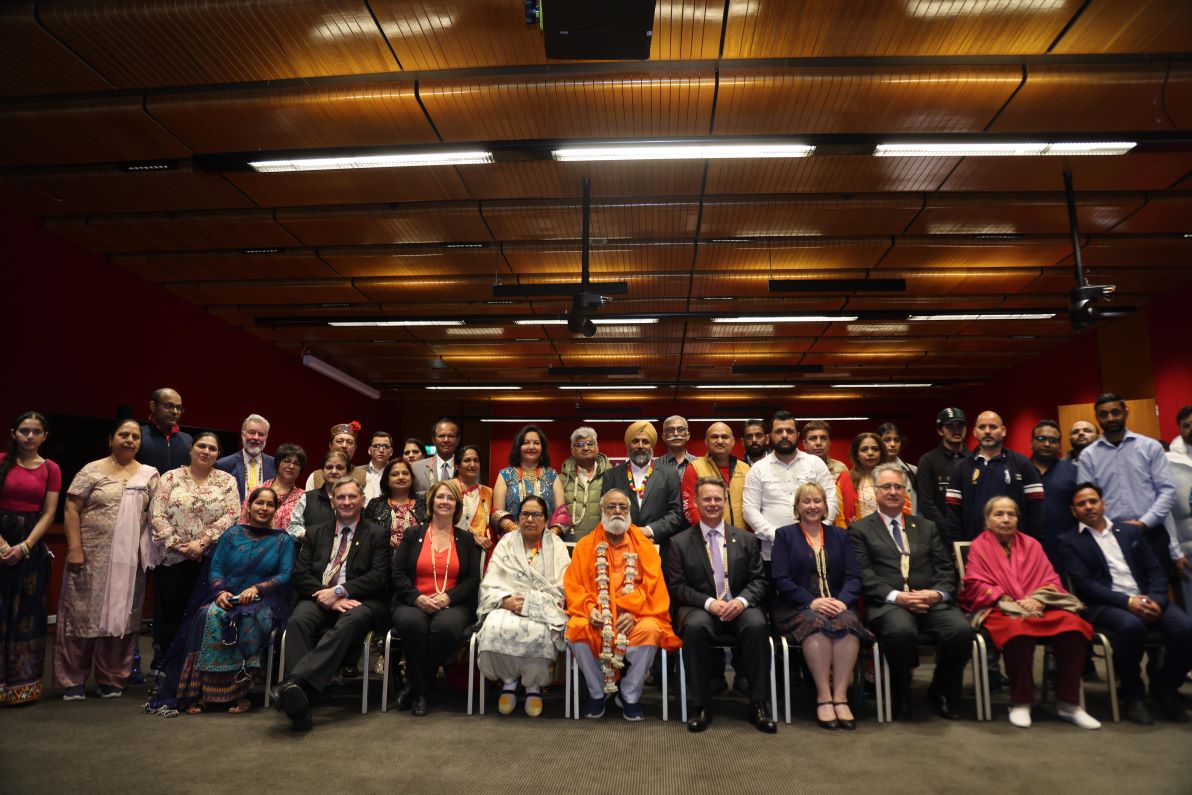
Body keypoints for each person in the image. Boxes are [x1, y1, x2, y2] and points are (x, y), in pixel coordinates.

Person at [147, 486, 294, 716]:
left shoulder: (282, 540)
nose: (264, 508)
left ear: (275, 509)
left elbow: (284, 575)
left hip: (263, 600)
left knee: (246, 618)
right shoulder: (232, 534)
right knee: (208, 615)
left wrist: (257, 588)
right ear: (249, 505)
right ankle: (202, 692)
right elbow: (216, 567)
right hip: (228, 595)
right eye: (259, 503)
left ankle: (239, 693)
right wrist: (220, 592)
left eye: (269, 504)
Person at [959, 497, 1100, 730]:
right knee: (1018, 632)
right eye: (999, 514)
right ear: (987, 520)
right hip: (1000, 607)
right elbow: (974, 582)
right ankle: (1021, 702)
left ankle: (1069, 703)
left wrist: (1037, 599)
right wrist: (1007, 599)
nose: (1006, 519)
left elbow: (1050, 578)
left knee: (1073, 627)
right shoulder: (979, 546)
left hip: (1038, 605)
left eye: (1011, 514)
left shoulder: (1032, 544)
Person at [850, 463, 973, 721]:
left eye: (898, 487)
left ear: (906, 492)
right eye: (886, 487)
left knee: (961, 632)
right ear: (875, 492)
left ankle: (940, 690)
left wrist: (936, 594)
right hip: (888, 604)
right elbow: (864, 574)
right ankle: (901, 693)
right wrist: (899, 597)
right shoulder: (860, 530)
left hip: (931, 601)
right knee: (900, 632)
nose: (893, 492)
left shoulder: (926, 527)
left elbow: (945, 569)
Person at [1062, 483, 1192, 724]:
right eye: (1081, 504)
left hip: (1148, 598)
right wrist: (1128, 601)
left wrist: (1157, 601)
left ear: (1104, 504)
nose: (1088, 507)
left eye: (1093, 501)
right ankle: (1134, 695)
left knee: (1186, 628)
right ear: (1073, 511)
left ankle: (1165, 688)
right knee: (1131, 627)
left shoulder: (1130, 532)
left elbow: (1156, 571)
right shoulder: (1070, 541)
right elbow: (1085, 585)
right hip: (1105, 605)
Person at [272, 479, 390, 731]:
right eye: (341, 498)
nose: (346, 502)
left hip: (360, 599)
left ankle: (295, 684)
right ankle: (301, 699)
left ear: (362, 500)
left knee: (353, 619)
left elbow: (379, 576)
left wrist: (340, 591)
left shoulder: (377, 534)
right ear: (333, 502)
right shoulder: (316, 532)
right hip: (318, 597)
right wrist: (325, 596)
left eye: (352, 497)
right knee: (298, 621)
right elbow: (301, 574)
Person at [56, 418, 159, 700]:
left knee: (123, 618)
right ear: (110, 438)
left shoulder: (149, 475)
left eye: (135, 436)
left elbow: (153, 516)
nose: (129, 440)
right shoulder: (92, 470)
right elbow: (71, 509)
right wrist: (75, 548)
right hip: (91, 556)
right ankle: (73, 679)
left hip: (129, 561)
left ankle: (112, 678)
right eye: (123, 435)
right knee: (81, 617)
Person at [668, 477, 775, 733]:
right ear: (696, 502)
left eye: (718, 499)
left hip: (739, 606)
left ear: (726, 501)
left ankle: (758, 704)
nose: (713, 504)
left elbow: (759, 581)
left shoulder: (747, 539)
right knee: (694, 629)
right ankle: (701, 706)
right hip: (700, 608)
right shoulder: (679, 542)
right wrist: (708, 603)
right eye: (707, 499)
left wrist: (740, 601)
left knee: (758, 625)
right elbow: (677, 587)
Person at [565, 489, 680, 720]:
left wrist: (635, 613)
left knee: (649, 631)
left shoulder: (644, 545)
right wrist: (590, 609)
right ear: (602, 511)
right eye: (611, 507)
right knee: (576, 630)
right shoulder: (586, 546)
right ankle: (598, 693)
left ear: (629, 512)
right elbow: (574, 585)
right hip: (599, 615)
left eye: (622, 507)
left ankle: (629, 695)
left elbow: (654, 586)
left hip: (634, 616)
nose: (617, 511)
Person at [772, 482, 871, 730]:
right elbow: (781, 579)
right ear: (797, 507)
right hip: (797, 606)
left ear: (826, 506)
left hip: (837, 603)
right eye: (806, 501)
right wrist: (811, 601)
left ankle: (841, 697)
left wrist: (842, 601)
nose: (812, 506)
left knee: (847, 624)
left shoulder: (841, 536)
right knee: (816, 624)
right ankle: (823, 696)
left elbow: (853, 577)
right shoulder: (785, 535)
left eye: (817, 501)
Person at [149, 431, 240, 670]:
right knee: (170, 615)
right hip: (172, 559)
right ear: (191, 449)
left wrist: (202, 542)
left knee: (203, 615)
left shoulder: (226, 481)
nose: (206, 451)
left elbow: (232, 514)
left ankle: (197, 668)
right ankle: (167, 667)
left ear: (218, 454)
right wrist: (180, 546)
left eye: (212, 448)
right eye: (202, 446)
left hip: (211, 559)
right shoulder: (170, 478)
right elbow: (157, 514)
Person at [391, 480, 481, 716]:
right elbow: (398, 573)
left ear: (457, 505)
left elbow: (472, 580)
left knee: (446, 628)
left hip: (452, 604)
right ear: (431, 502)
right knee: (413, 624)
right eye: (440, 497)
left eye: (450, 498)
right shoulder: (413, 534)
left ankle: (415, 685)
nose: (445, 502)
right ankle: (422, 691)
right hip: (414, 600)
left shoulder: (466, 539)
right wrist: (417, 598)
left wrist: (448, 598)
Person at [476, 494, 570, 717]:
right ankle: (508, 682)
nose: (530, 519)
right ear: (517, 519)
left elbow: (563, 586)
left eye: (536, 514)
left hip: (543, 606)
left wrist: (531, 604)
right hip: (508, 603)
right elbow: (490, 581)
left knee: (539, 631)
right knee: (494, 627)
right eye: (525, 514)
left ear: (546, 520)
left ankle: (533, 687)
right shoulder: (506, 543)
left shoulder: (556, 544)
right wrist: (505, 600)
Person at [1077, 393, 1185, 579]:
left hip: (1151, 533)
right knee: (1123, 592)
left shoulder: (1150, 447)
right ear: (1097, 418)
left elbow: (1166, 491)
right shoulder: (1088, 456)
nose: (1110, 418)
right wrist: (1111, 528)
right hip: (1109, 537)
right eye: (1104, 414)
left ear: (1125, 413)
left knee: (1159, 591)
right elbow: (1086, 499)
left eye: (1115, 412)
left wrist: (1144, 523)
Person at [0, 412, 60, 705]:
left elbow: (49, 513)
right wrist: (1, 545)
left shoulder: (51, 468)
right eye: (24, 430)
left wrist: (24, 546)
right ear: (14, 433)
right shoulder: (1, 461)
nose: (30, 436)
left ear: (44, 436)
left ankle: (21, 687)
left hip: (30, 546)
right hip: (1, 538)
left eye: (36, 431)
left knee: (26, 614)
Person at [743, 410, 837, 569]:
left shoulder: (815, 464)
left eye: (790, 431)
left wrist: (819, 532)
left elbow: (831, 502)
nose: (784, 435)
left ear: (798, 434)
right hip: (773, 551)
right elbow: (749, 509)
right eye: (779, 431)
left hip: (815, 548)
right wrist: (777, 536)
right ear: (771, 436)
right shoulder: (758, 469)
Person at [944, 410, 1044, 544]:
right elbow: (953, 515)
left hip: (1017, 548)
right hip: (974, 547)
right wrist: (957, 549)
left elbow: (1037, 512)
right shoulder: (960, 468)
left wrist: (1032, 545)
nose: (987, 431)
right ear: (974, 432)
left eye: (993, 427)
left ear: (1003, 431)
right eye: (982, 427)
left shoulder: (1023, 464)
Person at [601, 421, 684, 557]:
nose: (640, 446)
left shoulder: (669, 474)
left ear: (651, 445)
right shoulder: (612, 475)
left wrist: (649, 530)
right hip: (620, 547)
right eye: (635, 441)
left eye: (645, 442)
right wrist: (629, 533)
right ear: (629, 444)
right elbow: (605, 511)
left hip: (659, 546)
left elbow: (676, 513)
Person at [491, 424, 568, 541]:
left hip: (546, 541)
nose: (531, 447)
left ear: (542, 448)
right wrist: (515, 530)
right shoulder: (505, 475)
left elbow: (561, 513)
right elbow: (497, 513)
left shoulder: (552, 475)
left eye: (536, 443)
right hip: (512, 540)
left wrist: (551, 534)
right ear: (518, 446)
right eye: (526, 442)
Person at [680, 422, 751, 531]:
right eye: (714, 437)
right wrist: (710, 533)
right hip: (707, 538)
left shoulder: (746, 469)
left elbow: (753, 506)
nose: (720, 441)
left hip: (743, 539)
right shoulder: (694, 467)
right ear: (706, 442)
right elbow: (689, 507)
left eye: (724, 437)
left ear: (732, 442)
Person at [1029, 420, 1079, 569]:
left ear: (1060, 445)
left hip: (1065, 548)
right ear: (1031, 442)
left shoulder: (1073, 471)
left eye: (1053, 440)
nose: (1047, 444)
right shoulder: (1020, 470)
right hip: (1027, 549)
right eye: (1041, 439)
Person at [834, 432, 907, 528]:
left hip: (891, 533)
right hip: (856, 537)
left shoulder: (893, 477)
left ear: (881, 453)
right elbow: (839, 516)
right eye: (864, 450)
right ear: (857, 455)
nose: (870, 453)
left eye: (875, 449)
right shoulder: (846, 479)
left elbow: (905, 506)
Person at [915, 407, 968, 528]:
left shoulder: (974, 459)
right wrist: (947, 529)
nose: (956, 430)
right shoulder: (928, 460)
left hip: (970, 532)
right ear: (940, 430)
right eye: (950, 426)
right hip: (940, 535)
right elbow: (926, 504)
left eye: (960, 425)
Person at [559, 426, 611, 540]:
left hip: (602, 543)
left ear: (597, 447)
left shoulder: (611, 476)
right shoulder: (561, 479)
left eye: (590, 443)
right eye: (580, 444)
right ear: (572, 450)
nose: (586, 448)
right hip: (569, 543)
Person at [287, 450, 350, 542]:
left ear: (347, 472)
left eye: (339, 468)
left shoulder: (354, 500)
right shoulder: (308, 498)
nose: (334, 471)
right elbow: (293, 527)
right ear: (322, 471)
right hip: (313, 552)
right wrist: (313, 537)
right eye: (329, 467)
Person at [239, 443, 305, 530]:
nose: (291, 466)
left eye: (297, 464)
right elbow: (243, 521)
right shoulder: (259, 489)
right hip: (254, 541)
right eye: (286, 461)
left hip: (288, 543)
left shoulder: (303, 497)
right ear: (277, 463)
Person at [363, 458, 425, 549]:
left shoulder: (424, 502)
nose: (401, 477)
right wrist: (383, 539)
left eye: (405, 473)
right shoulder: (375, 504)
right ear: (386, 479)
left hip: (418, 556)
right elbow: (365, 533)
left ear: (411, 477)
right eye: (395, 474)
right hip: (383, 557)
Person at [215, 414, 274, 502]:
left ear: (266, 437)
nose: (256, 437)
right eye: (251, 433)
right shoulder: (224, 465)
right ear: (243, 434)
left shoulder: (275, 464)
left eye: (261, 434)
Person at [1166, 406, 1192, 607]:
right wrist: (1175, 552)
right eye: (1186, 425)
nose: (1191, 428)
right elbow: (1166, 512)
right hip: (1188, 551)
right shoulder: (1168, 462)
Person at [137, 388, 192, 475]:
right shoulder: (137, 435)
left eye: (179, 408)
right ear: (153, 406)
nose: (175, 412)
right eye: (169, 406)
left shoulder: (187, 440)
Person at [451, 445, 494, 557]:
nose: (472, 464)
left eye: (476, 460)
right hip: (451, 546)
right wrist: (472, 538)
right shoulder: (447, 489)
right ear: (456, 466)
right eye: (467, 460)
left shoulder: (488, 492)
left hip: (478, 552)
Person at [303, 422, 367, 492]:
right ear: (330, 445)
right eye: (340, 441)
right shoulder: (315, 476)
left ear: (355, 448)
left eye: (349, 442)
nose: (344, 446)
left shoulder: (365, 477)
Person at [411, 417, 460, 497]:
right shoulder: (416, 467)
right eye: (441, 436)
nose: (446, 440)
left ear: (458, 440)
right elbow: (410, 496)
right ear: (433, 440)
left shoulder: (466, 468)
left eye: (451, 436)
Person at [877, 422, 918, 513]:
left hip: (910, 523)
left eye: (896, 440)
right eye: (887, 440)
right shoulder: (872, 472)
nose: (892, 444)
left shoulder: (913, 471)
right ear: (879, 442)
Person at [363, 431, 395, 501]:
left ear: (391, 451)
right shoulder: (358, 471)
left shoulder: (396, 472)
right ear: (369, 450)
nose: (381, 450)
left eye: (386, 446)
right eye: (376, 446)